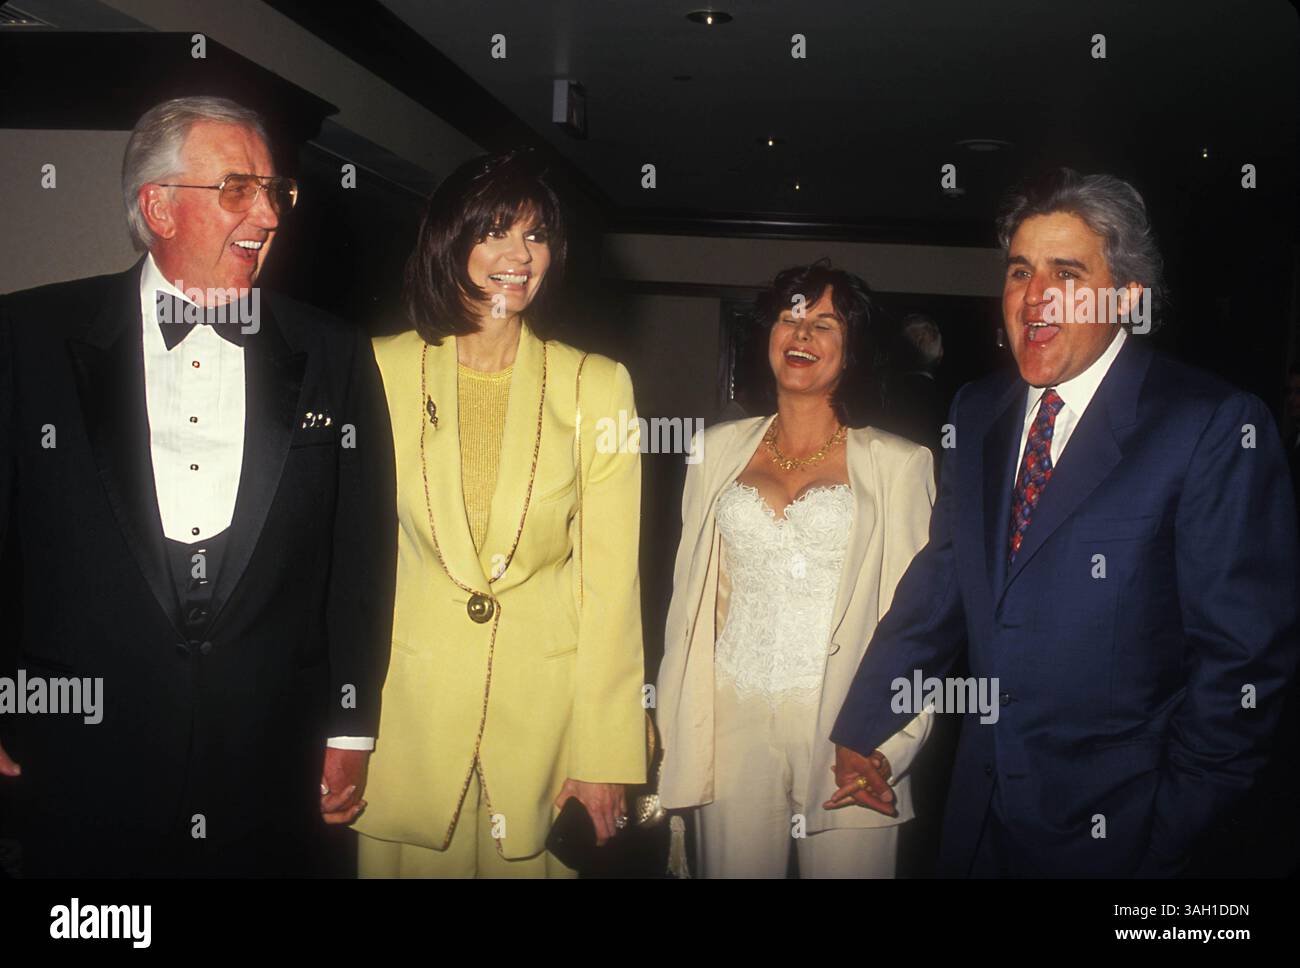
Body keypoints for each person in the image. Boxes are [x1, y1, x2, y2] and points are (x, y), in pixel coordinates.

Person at [830, 168, 1300, 877]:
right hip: (977, 823)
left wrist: (1164, 837)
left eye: (1067, 273)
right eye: (1020, 271)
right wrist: (864, 721)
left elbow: (1241, 671)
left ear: (1129, 297)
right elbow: (941, 585)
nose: (1035, 297)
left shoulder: (1210, 425)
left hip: (1123, 835)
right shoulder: (977, 411)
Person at [0, 96, 396, 876]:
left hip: (269, 761)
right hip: (80, 750)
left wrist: (351, 728)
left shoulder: (334, 351)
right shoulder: (26, 338)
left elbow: (362, 552)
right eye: (237, 188)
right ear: (159, 207)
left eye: (275, 190)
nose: (269, 214)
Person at [354, 150, 646, 877]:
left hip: (546, 729)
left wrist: (604, 750)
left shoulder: (597, 385)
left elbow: (612, 586)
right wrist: (338, 726)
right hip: (405, 719)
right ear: (451, 242)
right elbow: (343, 566)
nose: (519, 256)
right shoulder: (379, 369)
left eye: (538, 236)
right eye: (495, 232)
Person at [657, 262, 934, 877]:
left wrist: (888, 745)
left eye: (824, 323)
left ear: (852, 350)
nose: (802, 334)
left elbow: (918, 623)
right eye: (790, 317)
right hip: (731, 713)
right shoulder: (716, 451)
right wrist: (668, 713)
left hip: (850, 726)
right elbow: (690, 599)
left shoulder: (901, 464)